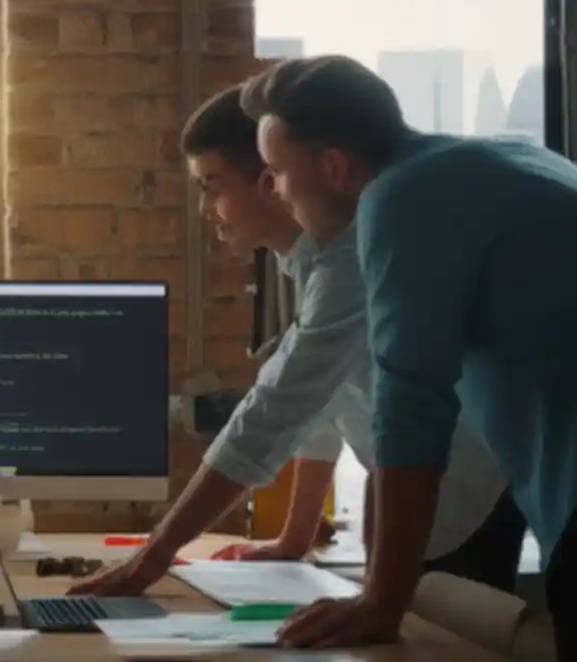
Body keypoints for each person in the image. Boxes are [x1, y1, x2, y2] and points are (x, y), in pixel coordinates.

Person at [67, 85, 524, 598]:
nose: (204, 209)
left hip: (460, 493)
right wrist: (295, 536)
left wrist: (152, 557)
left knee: (439, 634)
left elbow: (271, 413)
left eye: (212, 186)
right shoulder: (313, 262)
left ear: (270, 179)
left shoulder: (351, 262)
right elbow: (324, 401)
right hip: (426, 489)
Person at [233, 54, 576, 656]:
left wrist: (381, 601)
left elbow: (411, 410)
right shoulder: (506, 160)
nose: (276, 191)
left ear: (334, 166)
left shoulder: (399, 199)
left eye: (279, 171)